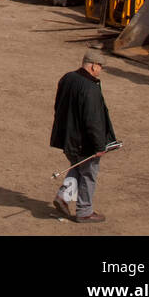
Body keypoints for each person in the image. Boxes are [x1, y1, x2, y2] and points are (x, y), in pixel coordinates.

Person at [51, 50, 117, 223]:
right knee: (88, 173)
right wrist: (99, 145)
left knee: (77, 166)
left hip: (67, 137)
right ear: (93, 65)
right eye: (100, 66)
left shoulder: (68, 78)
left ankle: (63, 197)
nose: (100, 70)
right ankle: (84, 211)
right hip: (83, 142)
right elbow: (93, 120)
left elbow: (58, 105)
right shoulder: (90, 88)